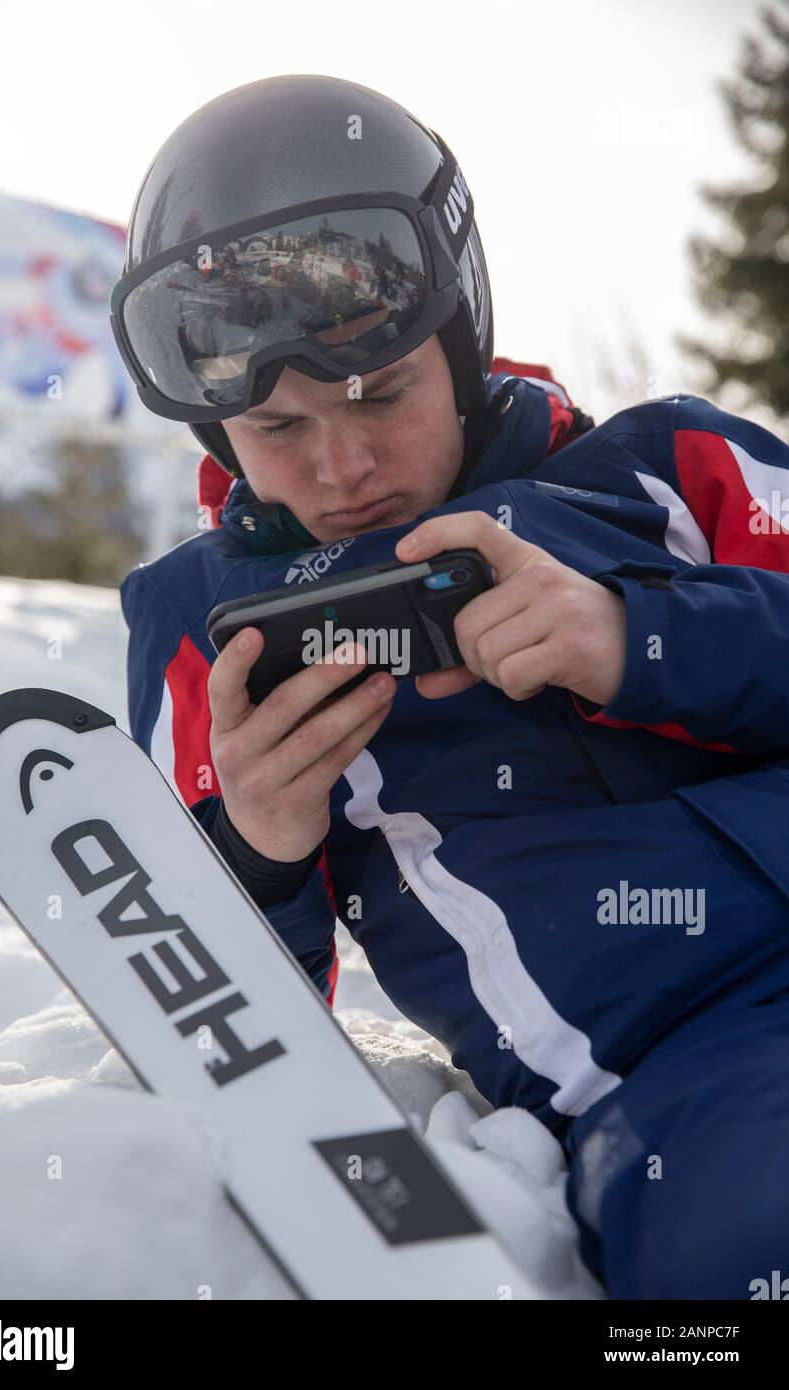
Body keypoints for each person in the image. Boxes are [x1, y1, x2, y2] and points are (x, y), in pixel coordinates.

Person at [111, 75, 789, 1299]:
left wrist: (637, 633)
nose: (342, 463)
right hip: (695, 1066)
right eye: (275, 426)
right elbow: (233, 1034)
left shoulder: (669, 464)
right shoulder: (205, 635)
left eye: (378, 393)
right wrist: (257, 847)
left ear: (461, 336)